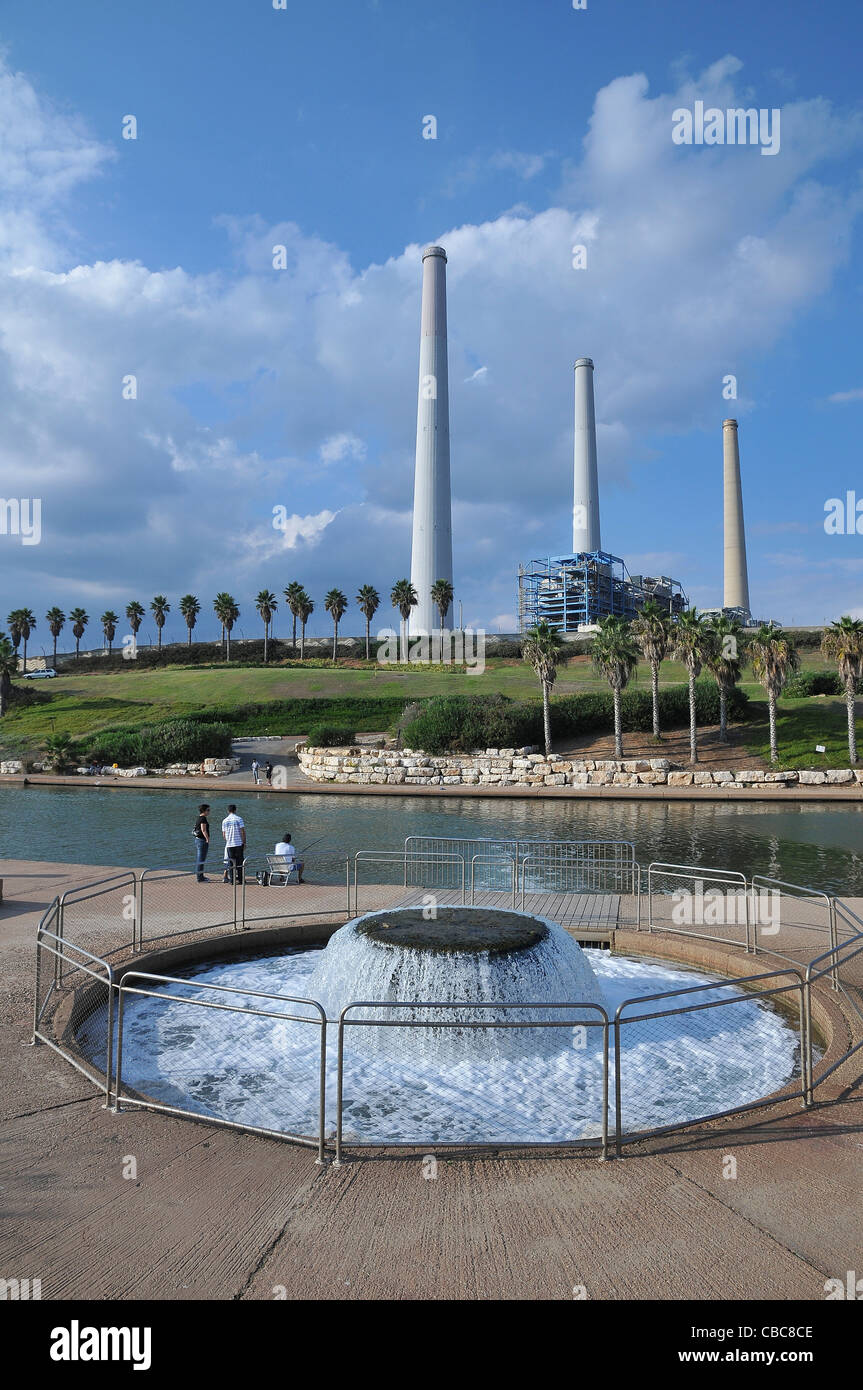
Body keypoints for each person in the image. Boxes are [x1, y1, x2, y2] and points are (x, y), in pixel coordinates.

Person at [222, 804, 246, 883]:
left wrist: (229, 840)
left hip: (229, 845)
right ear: (235, 810)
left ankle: (232, 880)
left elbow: (224, 835)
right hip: (238, 844)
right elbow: (242, 832)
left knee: (231, 863)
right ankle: (240, 880)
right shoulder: (239, 819)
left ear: (228, 811)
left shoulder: (224, 821)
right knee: (240, 863)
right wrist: (244, 842)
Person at [193, 803, 210, 882]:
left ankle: (200, 876)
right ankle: (200, 877)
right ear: (204, 811)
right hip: (202, 841)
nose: (209, 812)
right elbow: (203, 830)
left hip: (198, 840)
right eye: (208, 810)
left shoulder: (198, 818)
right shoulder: (203, 819)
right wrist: (207, 839)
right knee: (201, 859)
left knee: (200, 858)